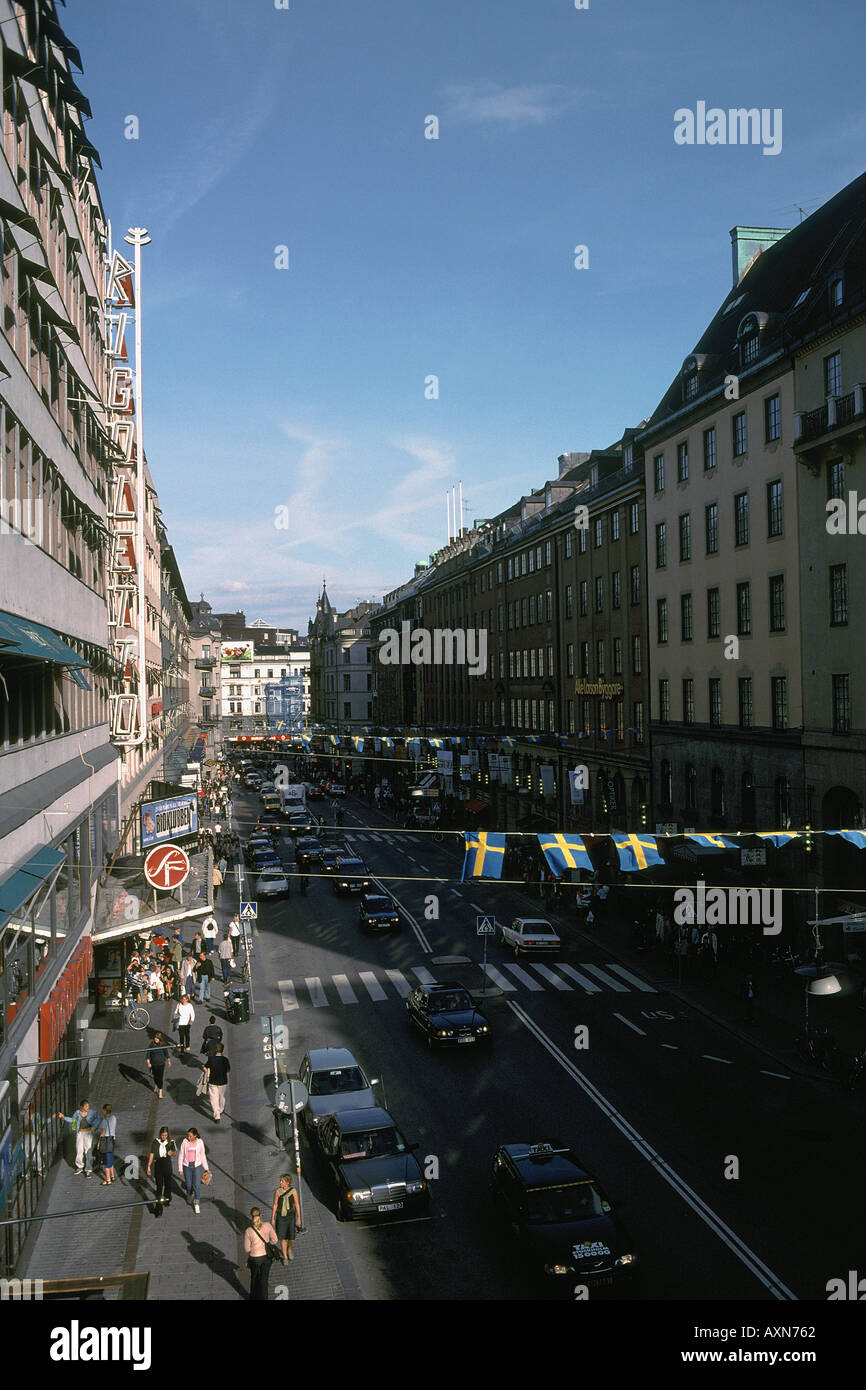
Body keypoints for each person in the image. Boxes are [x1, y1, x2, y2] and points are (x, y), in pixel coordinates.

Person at [244, 1207, 280, 1300]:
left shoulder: (248, 1231)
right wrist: (268, 1244)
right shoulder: (267, 1226)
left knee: (254, 1278)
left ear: (252, 1217)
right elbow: (275, 1240)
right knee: (264, 1279)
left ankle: (253, 1296)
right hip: (266, 1257)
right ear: (261, 1215)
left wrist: (254, 1247)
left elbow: (247, 1249)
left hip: (254, 1258)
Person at [55, 1101, 98, 1176]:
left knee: (88, 1150)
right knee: (79, 1150)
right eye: (86, 1106)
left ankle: (88, 1168)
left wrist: (94, 1127)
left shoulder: (91, 1113)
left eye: (88, 1106)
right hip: (80, 1133)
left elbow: (98, 1119)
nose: (88, 1107)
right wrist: (63, 1117)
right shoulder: (77, 1113)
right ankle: (80, 1167)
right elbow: (72, 1120)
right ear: (81, 1107)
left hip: (88, 1133)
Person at [271, 1173, 301, 1264]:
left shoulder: (293, 1191)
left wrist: (299, 1217)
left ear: (287, 1183)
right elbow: (275, 1204)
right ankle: (285, 1257)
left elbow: (297, 1204)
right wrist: (272, 1218)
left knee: (291, 1238)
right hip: (280, 1217)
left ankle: (289, 1249)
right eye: (280, 1181)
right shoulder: (277, 1192)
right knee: (283, 1238)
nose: (280, 1182)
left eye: (282, 1181)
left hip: (291, 1216)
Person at [178, 1128, 208, 1214]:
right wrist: (180, 1168)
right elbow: (181, 1155)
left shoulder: (200, 1142)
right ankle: (189, 1193)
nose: (188, 1137)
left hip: (197, 1166)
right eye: (188, 1135)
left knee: (197, 1185)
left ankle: (197, 1203)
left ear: (195, 1135)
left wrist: (206, 1168)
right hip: (187, 1166)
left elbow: (203, 1155)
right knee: (188, 1184)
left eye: (190, 1136)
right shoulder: (184, 1142)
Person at [147, 1127, 176, 1213]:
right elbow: (152, 1154)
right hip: (158, 1164)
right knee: (159, 1186)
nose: (164, 1137)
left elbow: (174, 1152)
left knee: (168, 1184)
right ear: (160, 1134)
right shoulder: (156, 1142)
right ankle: (158, 1207)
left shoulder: (171, 1142)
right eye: (163, 1135)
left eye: (166, 1135)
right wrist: (148, 1165)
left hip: (167, 1164)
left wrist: (172, 1153)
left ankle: (167, 1199)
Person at [206, 1043, 230, 1123]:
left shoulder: (211, 1059)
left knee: (214, 1098)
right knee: (222, 1096)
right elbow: (228, 1069)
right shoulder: (225, 1060)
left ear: (215, 1050)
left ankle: (217, 1116)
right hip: (223, 1081)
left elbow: (205, 1067)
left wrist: (208, 1073)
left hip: (213, 1081)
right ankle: (221, 1109)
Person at [96, 1104, 117, 1187]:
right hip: (112, 1140)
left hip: (106, 1142)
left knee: (107, 1161)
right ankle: (113, 1176)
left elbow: (102, 1133)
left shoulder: (104, 1121)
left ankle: (108, 1180)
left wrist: (99, 1143)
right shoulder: (114, 1118)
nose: (101, 1112)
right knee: (111, 1158)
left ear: (105, 1111)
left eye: (102, 1110)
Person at [147, 1032, 171, 1098]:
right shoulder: (151, 1045)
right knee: (155, 1076)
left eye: (157, 1038)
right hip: (154, 1064)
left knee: (160, 1077)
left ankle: (160, 1091)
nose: (156, 1039)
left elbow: (166, 1053)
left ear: (160, 1039)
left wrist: (169, 1061)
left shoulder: (163, 1045)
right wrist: (148, 1063)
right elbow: (148, 1055)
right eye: (155, 1038)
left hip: (161, 1063)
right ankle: (156, 1084)